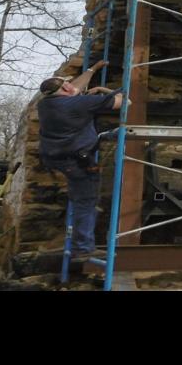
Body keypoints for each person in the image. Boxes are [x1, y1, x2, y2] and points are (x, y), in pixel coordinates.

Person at [38, 62, 125, 258]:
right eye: (68, 84)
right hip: (78, 161)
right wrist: (103, 90)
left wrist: (93, 69)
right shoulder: (79, 103)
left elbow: (74, 88)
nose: (72, 85)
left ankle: (80, 242)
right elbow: (125, 103)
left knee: (80, 199)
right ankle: (82, 248)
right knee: (85, 202)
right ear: (67, 88)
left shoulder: (45, 104)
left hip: (57, 158)